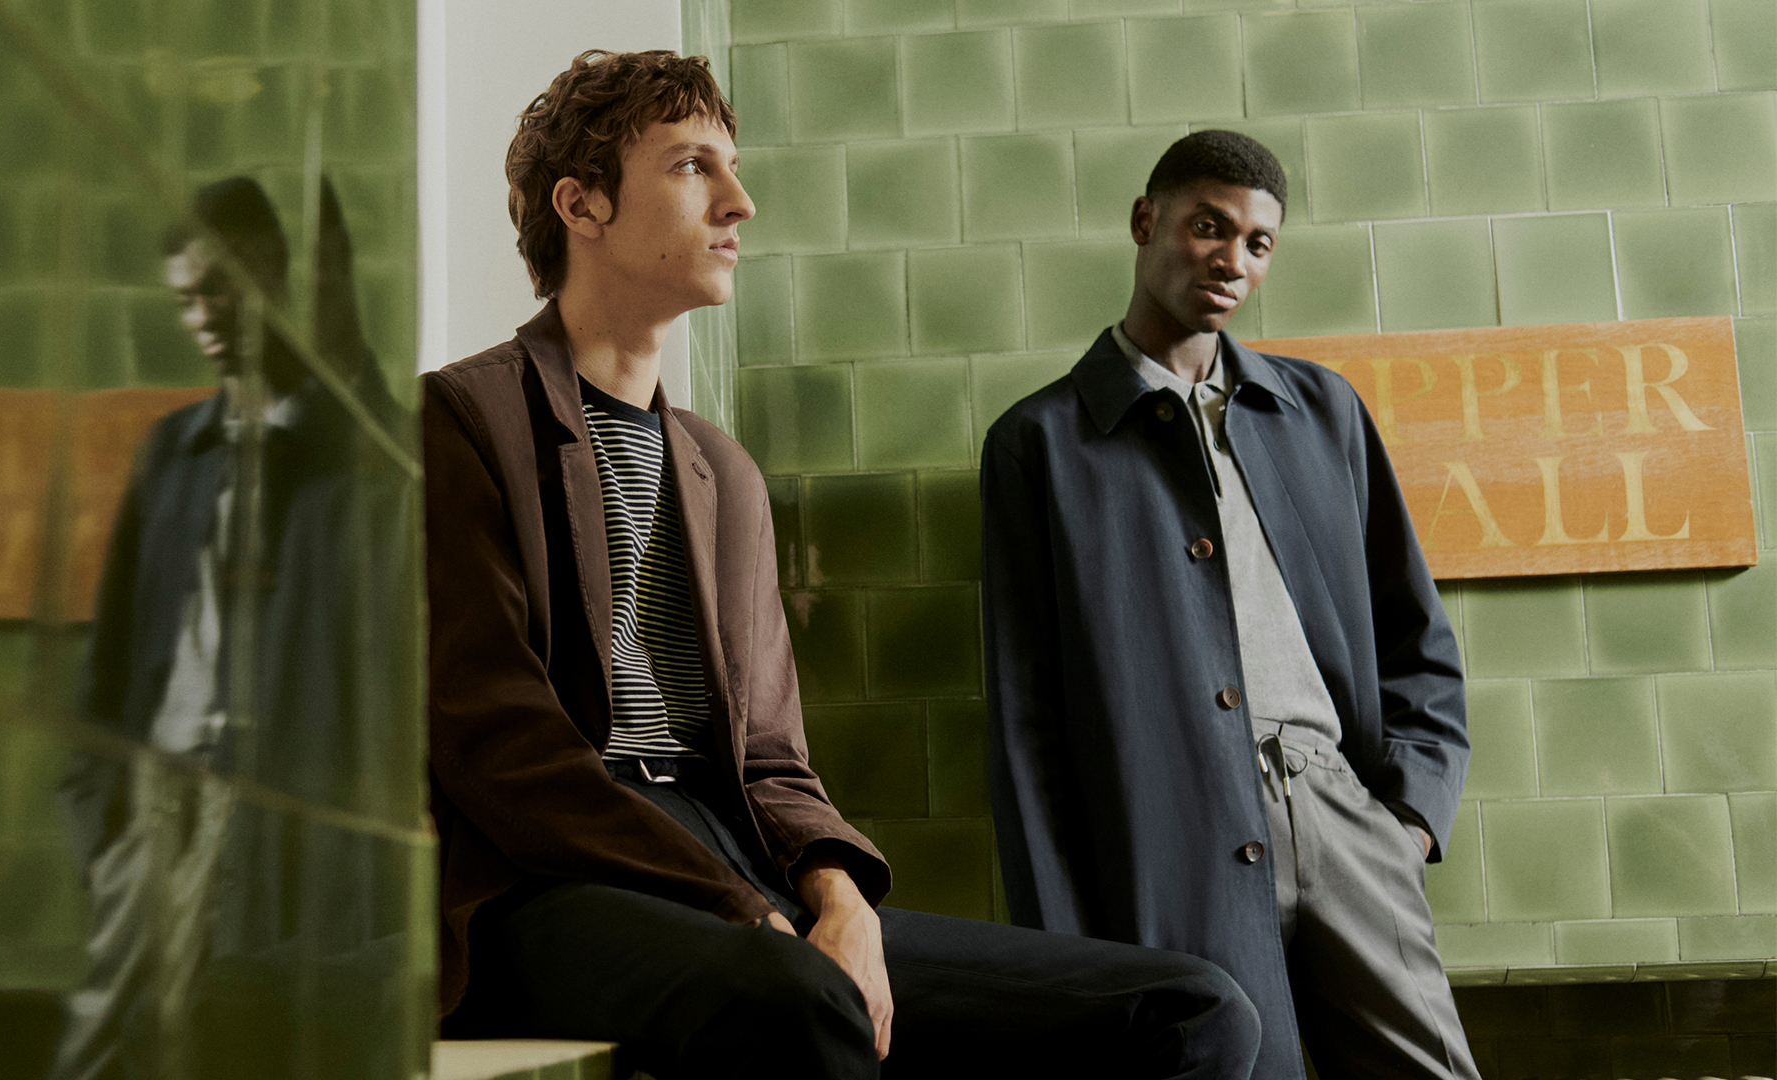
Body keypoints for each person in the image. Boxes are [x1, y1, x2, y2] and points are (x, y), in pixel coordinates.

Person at [424, 49, 1260, 1080]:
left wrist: (841, 899)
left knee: (1192, 1012)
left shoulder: (721, 471)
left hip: (738, 857)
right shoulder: (462, 421)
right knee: (801, 998)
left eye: (732, 169)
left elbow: (773, 760)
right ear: (581, 203)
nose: (740, 203)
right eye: (691, 167)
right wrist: (737, 906)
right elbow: (501, 751)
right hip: (544, 882)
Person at [980, 129, 1479, 1080]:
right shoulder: (1038, 444)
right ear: (1146, 220)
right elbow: (1027, 724)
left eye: (1258, 243)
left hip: (1342, 812)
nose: (1232, 260)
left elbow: (1415, 632)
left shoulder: (1323, 412)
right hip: (1169, 842)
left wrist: (1408, 820)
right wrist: (1063, 938)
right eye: (1208, 227)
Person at [52, 176, 417, 1080]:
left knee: (236, 1034)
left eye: (221, 287)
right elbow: (111, 662)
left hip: (273, 806)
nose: (204, 315)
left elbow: (382, 449)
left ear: (273, 274)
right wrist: (103, 829)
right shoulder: (173, 451)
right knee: (106, 1048)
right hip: (156, 801)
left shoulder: (357, 453)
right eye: (186, 298)